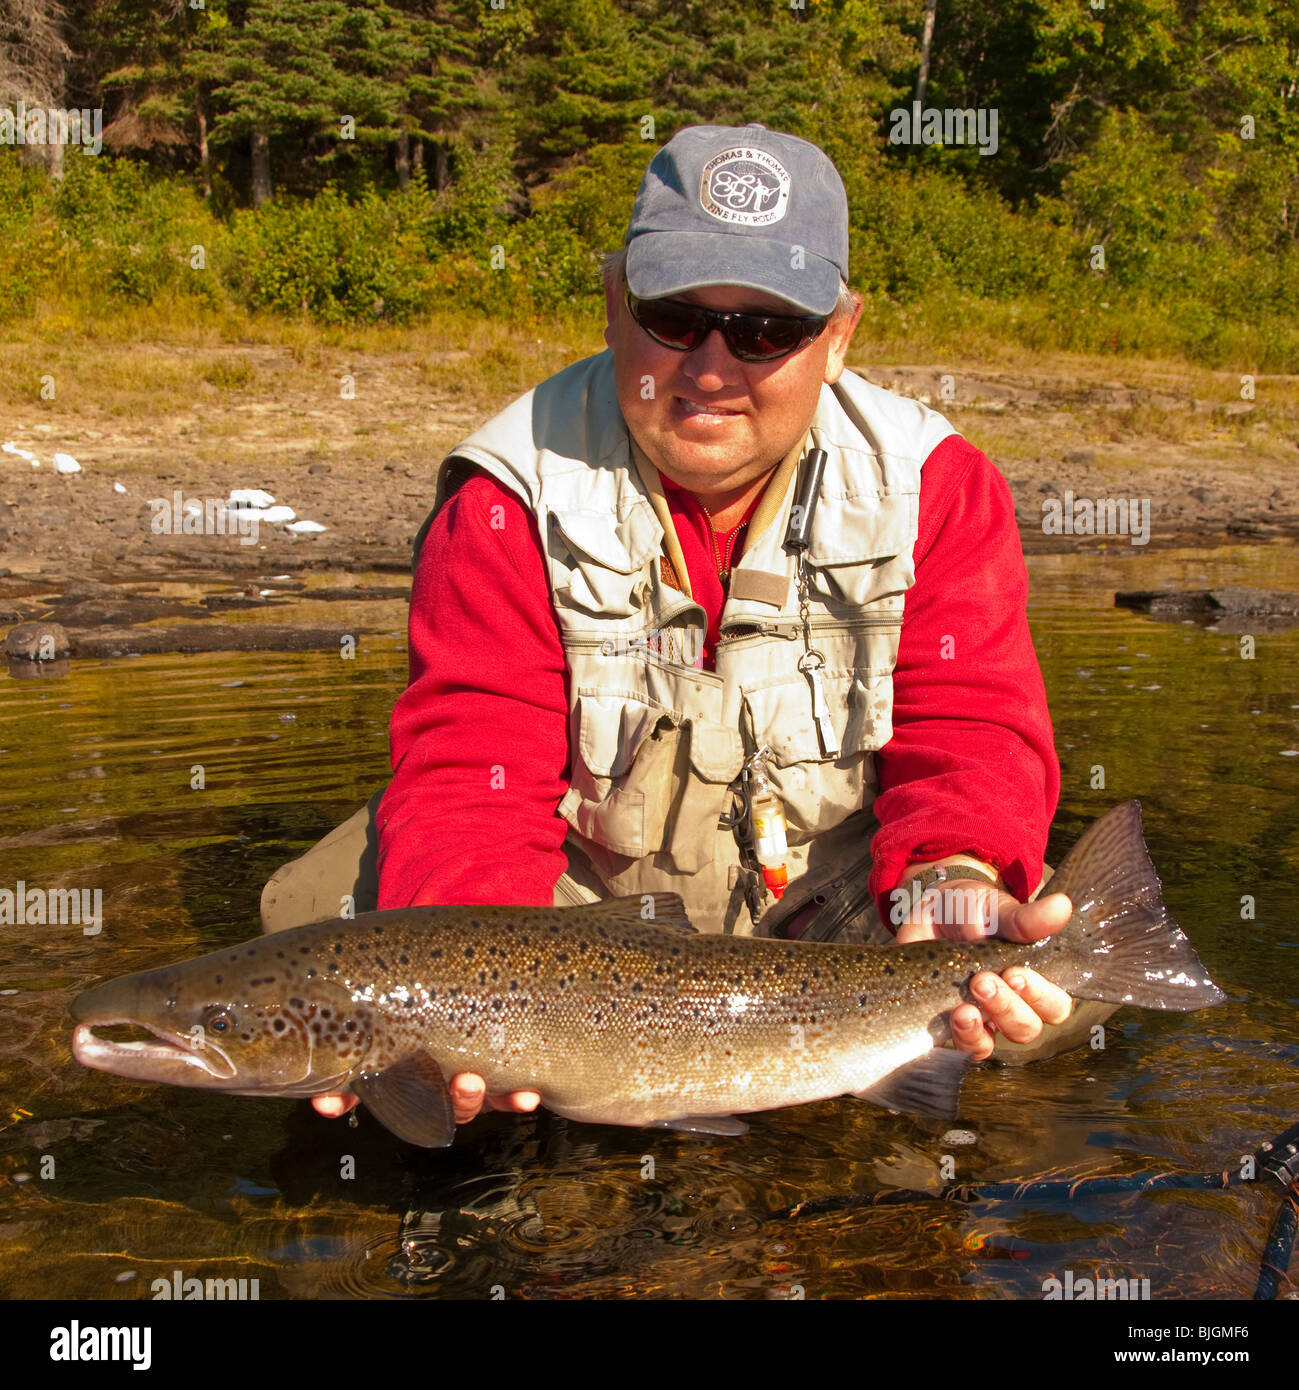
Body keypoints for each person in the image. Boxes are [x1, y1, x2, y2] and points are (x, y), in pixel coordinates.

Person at [264, 123, 1086, 1134]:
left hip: (845, 906)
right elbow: (471, 767)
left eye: (765, 329)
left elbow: (972, 731)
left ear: (839, 336)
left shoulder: (937, 486)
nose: (708, 366)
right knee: (326, 930)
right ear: (613, 305)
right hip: (583, 911)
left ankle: (893, 1092)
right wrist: (483, 1013)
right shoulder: (505, 495)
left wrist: (956, 875)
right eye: (673, 316)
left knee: (1047, 978)